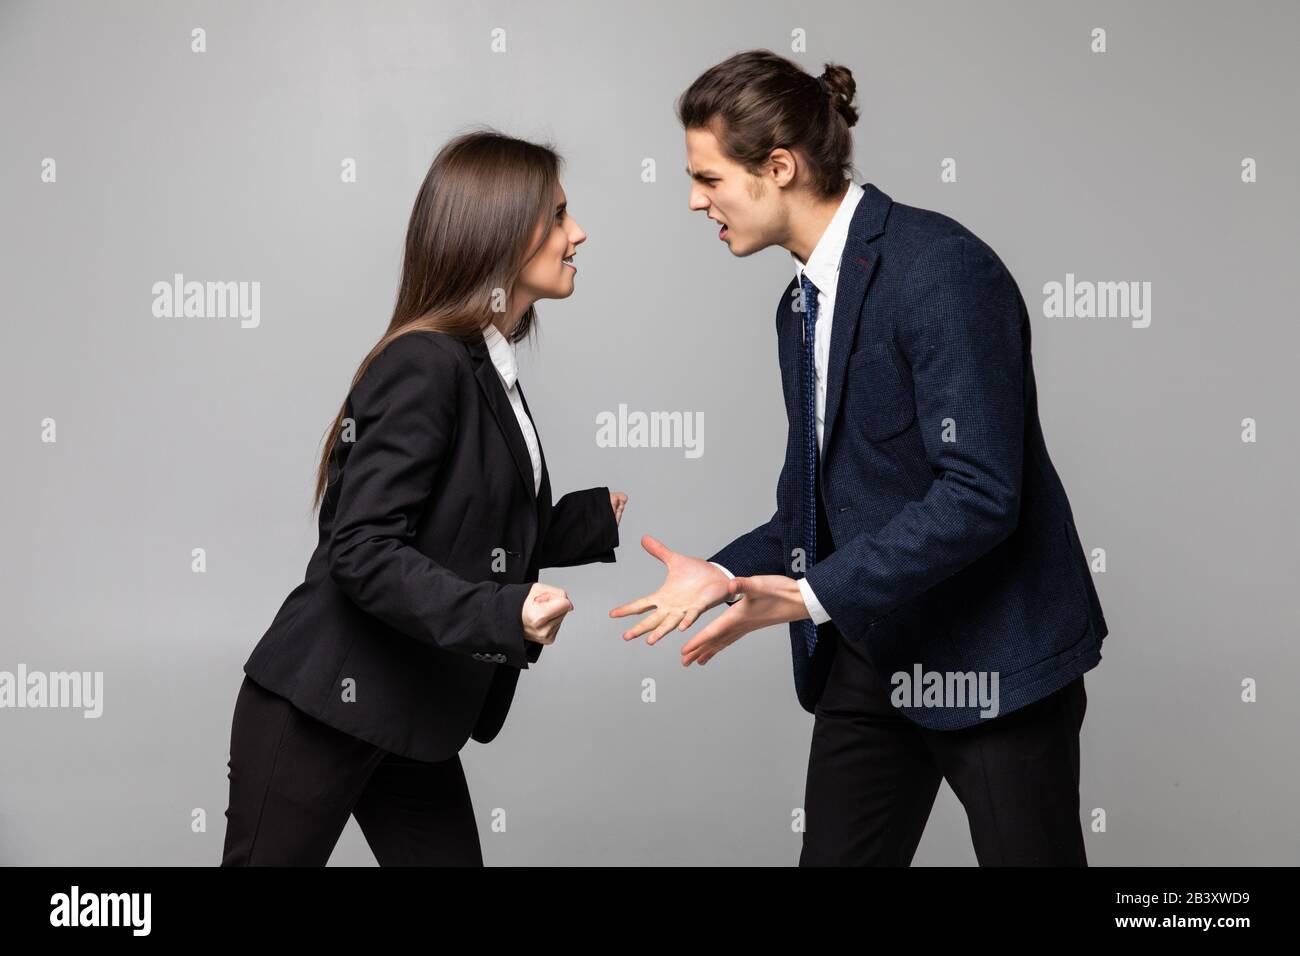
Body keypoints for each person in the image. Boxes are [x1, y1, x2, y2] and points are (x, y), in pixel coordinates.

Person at [611, 50, 1108, 866]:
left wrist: (808, 597)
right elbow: (824, 503)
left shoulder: (942, 271)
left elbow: (980, 494)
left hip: (994, 661)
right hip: (873, 655)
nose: (695, 200)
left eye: (708, 178)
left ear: (779, 167)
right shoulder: (797, 306)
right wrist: (725, 575)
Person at [221, 130, 625, 866]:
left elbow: (472, 527)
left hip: (412, 711)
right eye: (560, 216)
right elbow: (362, 550)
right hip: (320, 707)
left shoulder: (486, 363)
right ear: (500, 232)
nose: (579, 233)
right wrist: (504, 612)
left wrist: (589, 523)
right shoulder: (426, 363)